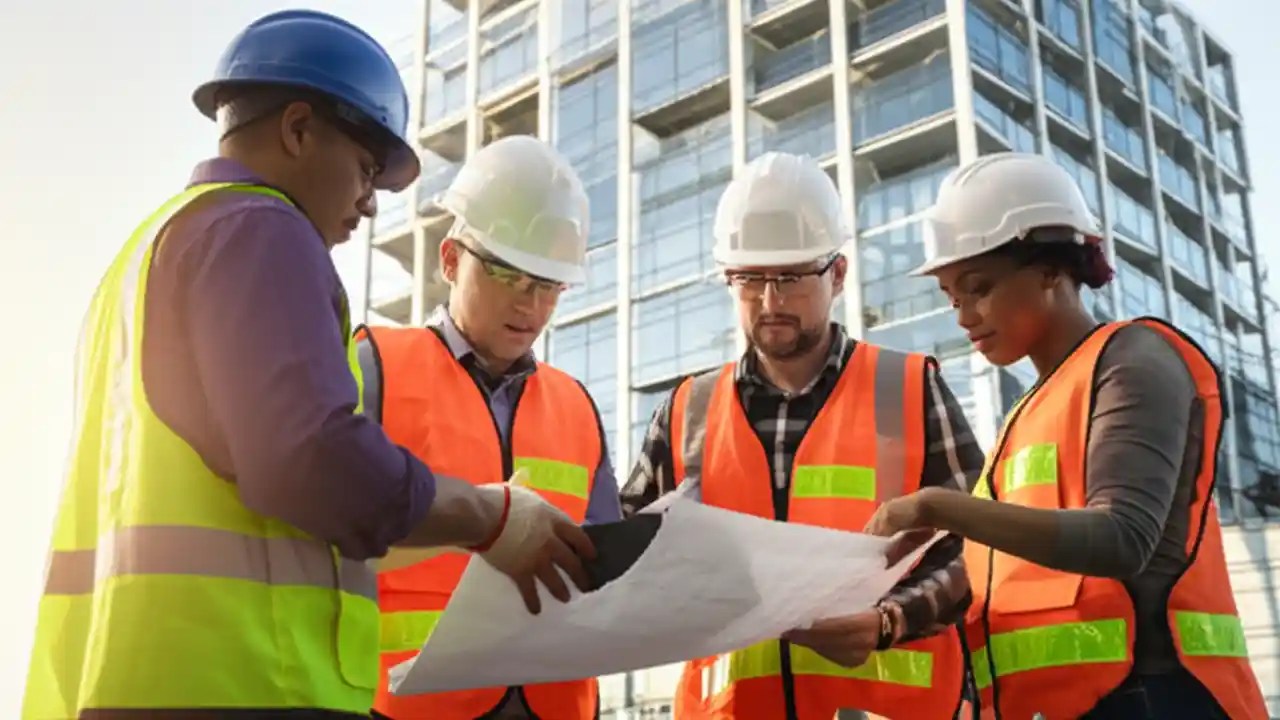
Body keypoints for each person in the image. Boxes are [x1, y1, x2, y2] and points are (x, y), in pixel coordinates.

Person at [21, 11, 593, 720]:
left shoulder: (143, 259)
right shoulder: (261, 230)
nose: (368, 204)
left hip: (131, 678)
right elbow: (310, 455)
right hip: (244, 680)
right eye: (364, 170)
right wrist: (492, 516)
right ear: (297, 130)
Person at [863, 152, 1268, 720]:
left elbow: (1123, 538)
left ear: (1052, 267)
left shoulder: (1133, 359)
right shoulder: (1026, 414)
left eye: (979, 287)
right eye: (953, 297)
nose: (963, 315)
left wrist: (938, 506)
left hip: (1154, 699)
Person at [621, 152, 983, 720]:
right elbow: (629, 551)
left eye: (790, 278)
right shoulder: (688, 410)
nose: (770, 302)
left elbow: (978, 550)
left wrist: (892, 620)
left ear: (837, 274)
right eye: (750, 280)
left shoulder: (909, 387)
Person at [359, 134, 622, 719]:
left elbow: (606, 563)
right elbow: (325, 538)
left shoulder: (575, 404)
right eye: (508, 275)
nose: (530, 305)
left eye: (549, 285)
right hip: (406, 708)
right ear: (450, 260)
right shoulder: (374, 364)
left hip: (554, 706)